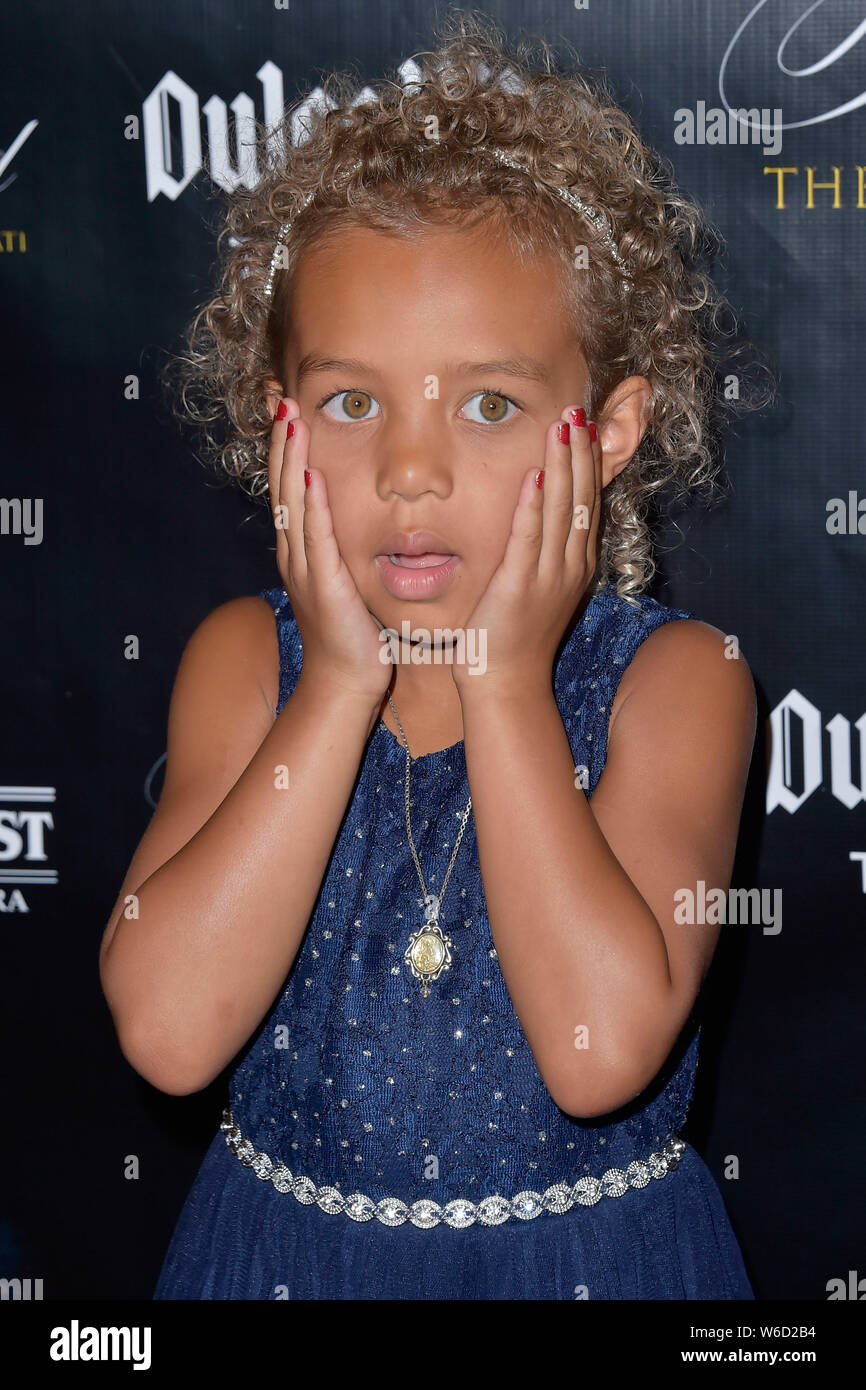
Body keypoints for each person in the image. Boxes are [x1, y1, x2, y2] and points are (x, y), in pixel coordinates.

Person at [99, 13, 770, 1299]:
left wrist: (506, 685)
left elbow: (594, 1051)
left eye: (489, 403)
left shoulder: (678, 682)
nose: (410, 472)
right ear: (277, 422)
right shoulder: (247, 663)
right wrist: (340, 684)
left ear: (610, 429)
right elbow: (171, 1036)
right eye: (354, 404)